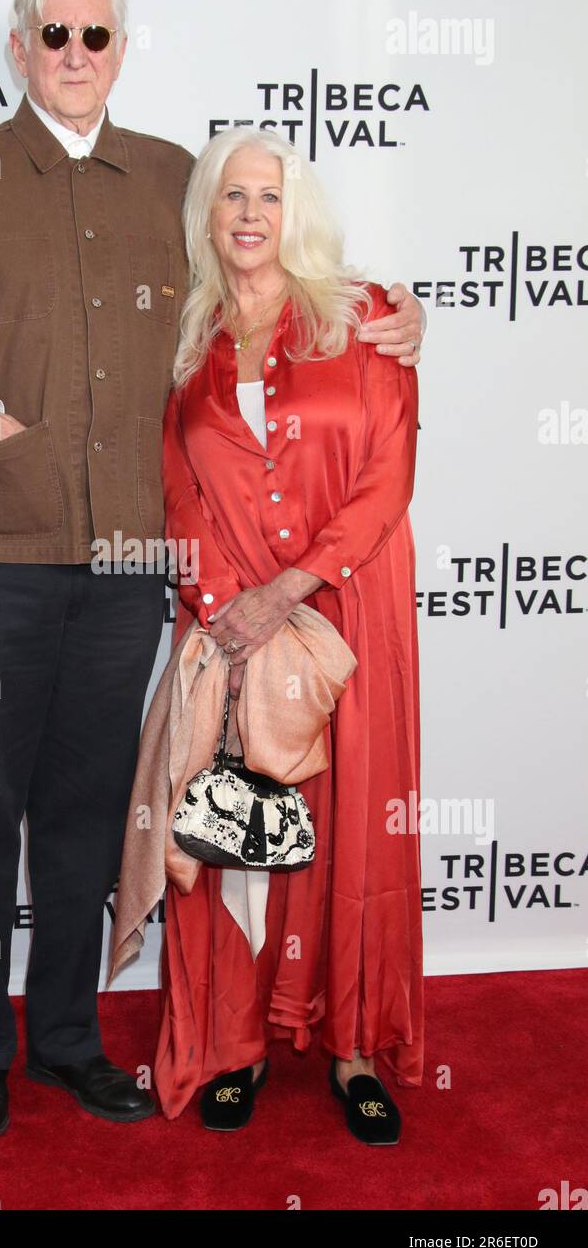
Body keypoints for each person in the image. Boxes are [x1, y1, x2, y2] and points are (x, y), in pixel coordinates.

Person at [0, 0, 426, 1142]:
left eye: (94, 38)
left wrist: (389, 308)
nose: (72, 55)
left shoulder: (171, 182)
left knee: (87, 808)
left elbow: (263, 281)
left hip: (120, 573)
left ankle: (62, 1039)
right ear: (18, 48)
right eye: (52, 36)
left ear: (119, 49)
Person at [150, 126, 422, 1143]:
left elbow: (386, 477)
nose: (250, 213)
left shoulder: (369, 317)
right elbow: (175, 494)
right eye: (231, 197)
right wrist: (225, 605)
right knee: (235, 826)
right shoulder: (188, 339)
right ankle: (234, 1044)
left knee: (350, 822)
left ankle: (351, 1044)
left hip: (348, 615)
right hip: (231, 621)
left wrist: (294, 588)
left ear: (293, 211)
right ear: (207, 217)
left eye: (268, 194)